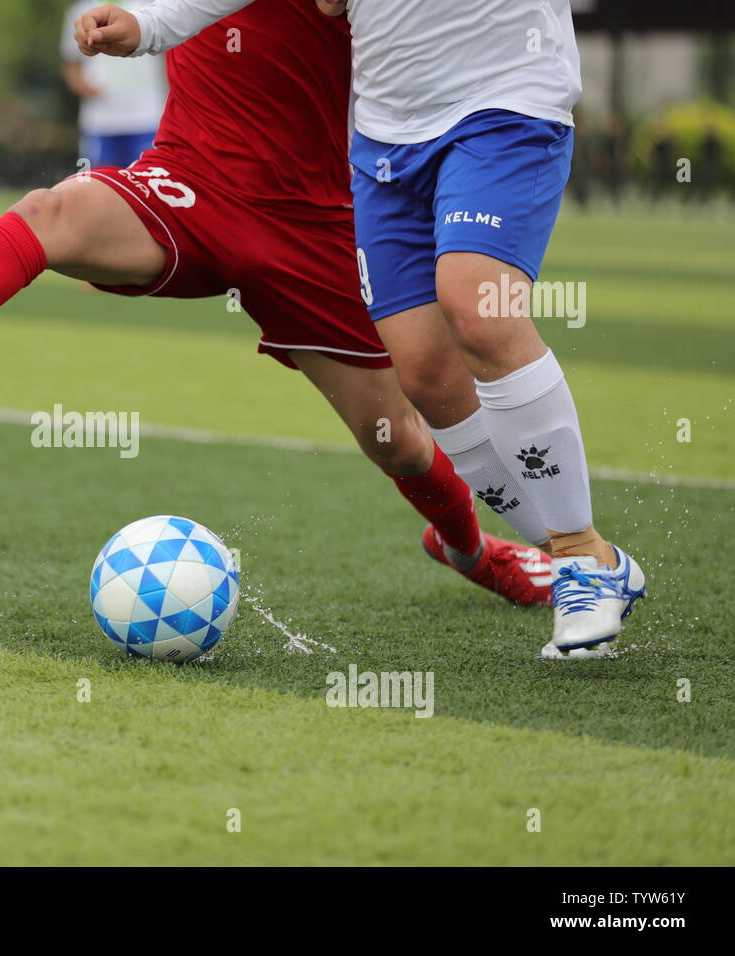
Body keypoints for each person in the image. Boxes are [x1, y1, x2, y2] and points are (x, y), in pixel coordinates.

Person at [0, 1, 553, 614]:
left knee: (398, 439)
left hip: (318, 224)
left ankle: (471, 549)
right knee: (50, 213)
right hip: (189, 182)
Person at [74, 0, 646, 660]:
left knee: (478, 311)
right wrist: (151, 27)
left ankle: (579, 561)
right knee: (427, 376)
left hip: (502, 99)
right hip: (385, 135)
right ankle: (587, 554)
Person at [61, 0, 167, 169]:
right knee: (95, 184)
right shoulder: (81, 10)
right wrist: (85, 88)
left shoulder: (151, 5)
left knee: (145, 184)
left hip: (146, 116)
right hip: (101, 120)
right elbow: (72, 64)